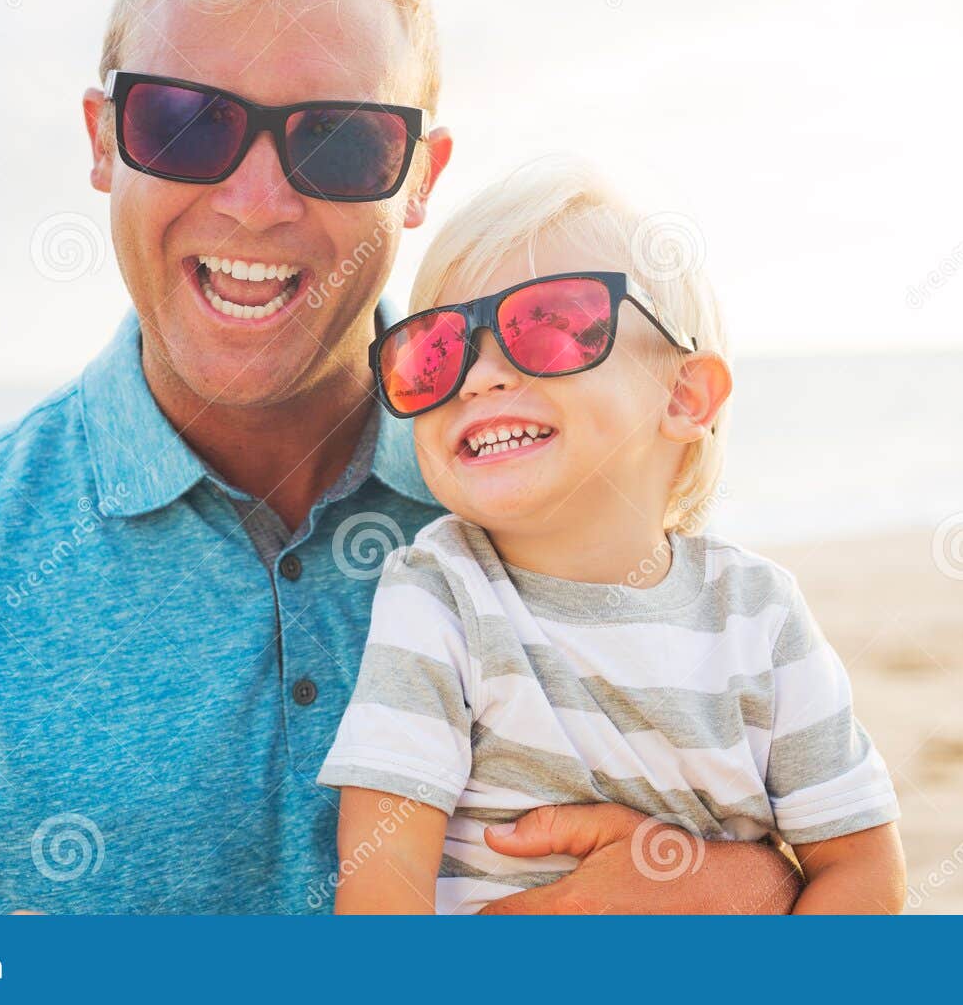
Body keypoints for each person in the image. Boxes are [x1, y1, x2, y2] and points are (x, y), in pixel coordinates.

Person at [0, 0, 799, 914]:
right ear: (105, 142)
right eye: (186, 122)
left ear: (419, 176)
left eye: (337, 141)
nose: (255, 200)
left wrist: (745, 882)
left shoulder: (560, 490)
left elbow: (797, 838)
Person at [320, 159, 904, 913]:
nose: (478, 377)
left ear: (686, 396)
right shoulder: (438, 597)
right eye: (436, 351)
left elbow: (861, 871)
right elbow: (380, 879)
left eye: (550, 328)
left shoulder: (760, 615)